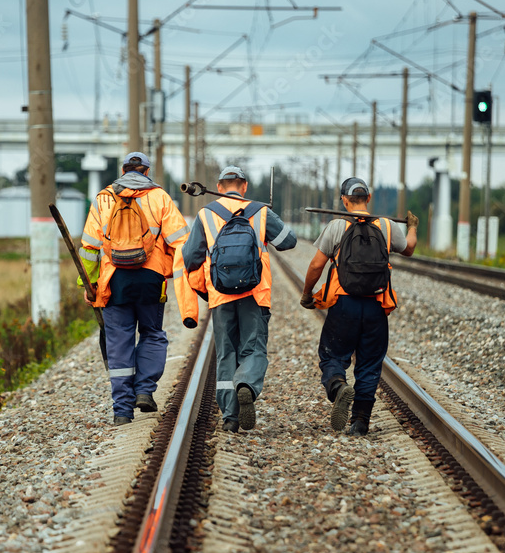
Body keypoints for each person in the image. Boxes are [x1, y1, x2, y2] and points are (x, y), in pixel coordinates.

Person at [176, 166, 297, 433]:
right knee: (253, 349)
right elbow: (289, 241)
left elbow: (190, 258)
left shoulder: (206, 214)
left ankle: (230, 416)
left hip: (220, 295)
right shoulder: (260, 211)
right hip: (256, 293)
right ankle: (246, 384)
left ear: (220, 187)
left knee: (226, 353)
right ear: (244, 186)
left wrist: (203, 287)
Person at [299, 177, 418, 435]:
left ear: (344, 200)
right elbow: (408, 249)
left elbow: (317, 265)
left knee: (332, 355)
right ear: (369, 198)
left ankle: (338, 386)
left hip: (344, 305)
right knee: (370, 364)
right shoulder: (386, 225)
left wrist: (308, 293)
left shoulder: (337, 225)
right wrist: (412, 227)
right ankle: (360, 422)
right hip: (376, 305)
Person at [80, 152, 189, 425]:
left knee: (119, 342)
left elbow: (89, 248)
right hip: (151, 279)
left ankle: (122, 411)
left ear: (123, 169)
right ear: (147, 171)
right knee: (152, 333)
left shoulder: (104, 198)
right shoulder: (160, 196)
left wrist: (88, 284)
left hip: (113, 281)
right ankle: (144, 390)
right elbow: (181, 242)